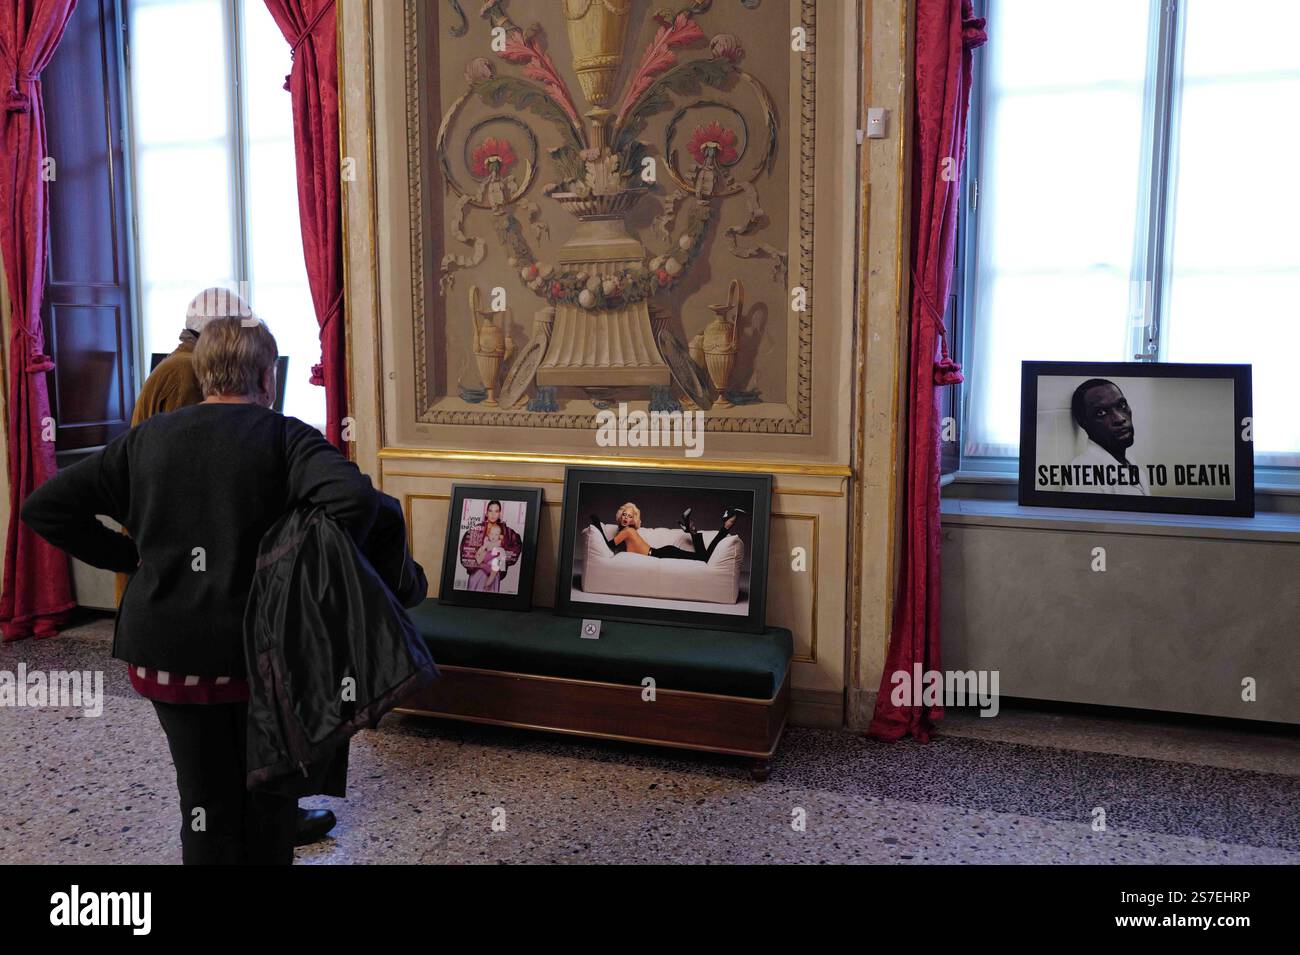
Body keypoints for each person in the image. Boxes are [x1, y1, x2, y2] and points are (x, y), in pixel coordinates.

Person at [22, 317, 398, 864]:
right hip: (257, 659)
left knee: (203, 804)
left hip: (166, 658)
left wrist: (133, 559)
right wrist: (303, 565)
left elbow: (45, 507)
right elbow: (358, 503)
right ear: (267, 377)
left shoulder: (146, 439)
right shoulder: (286, 436)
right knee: (268, 802)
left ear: (201, 375)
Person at [117, 288, 335, 848]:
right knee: (231, 770)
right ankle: (259, 823)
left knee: (210, 783)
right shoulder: (189, 378)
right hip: (204, 588)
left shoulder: (176, 368)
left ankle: (251, 822)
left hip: (171, 593)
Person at [1067, 378, 1149, 496]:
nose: (1120, 419)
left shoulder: (1126, 460)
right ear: (1083, 422)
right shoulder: (1082, 480)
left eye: (1122, 405)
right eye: (1101, 412)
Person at [589, 503, 746, 562]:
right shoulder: (625, 532)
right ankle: (721, 525)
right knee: (703, 557)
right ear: (620, 515)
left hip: (660, 554)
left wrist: (597, 524)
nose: (626, 518)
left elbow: (609, 545)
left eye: (630, 516)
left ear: (633, 520)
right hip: (662, 552)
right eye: (624, 514)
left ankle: (726, 524)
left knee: (704, 559)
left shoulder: (628, 531)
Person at [457, 499, 522, 589]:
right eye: (490, 511)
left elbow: (516, 545)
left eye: (496, 511)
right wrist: (480, 563)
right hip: (478, 571)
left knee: (491, 596)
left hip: (494, 571)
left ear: (500, 513)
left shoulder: (506, 531)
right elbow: (466, 547)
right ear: (486, 512)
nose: (493, 514)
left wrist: (501, 554)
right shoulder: (477, 528)